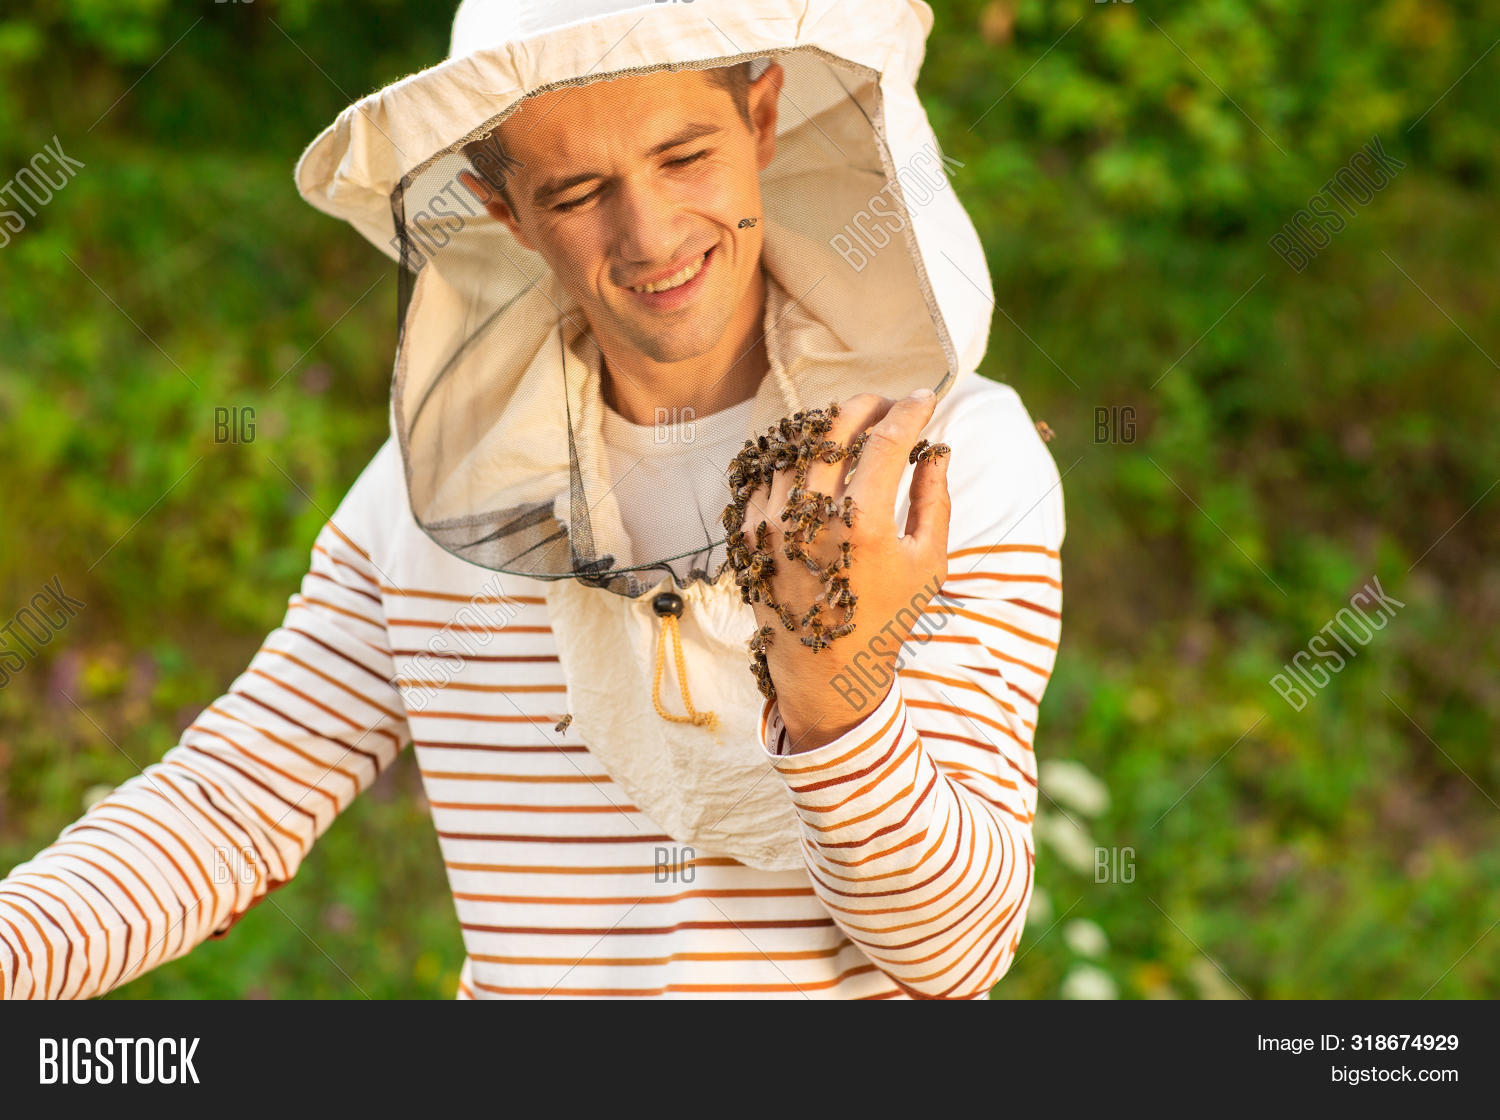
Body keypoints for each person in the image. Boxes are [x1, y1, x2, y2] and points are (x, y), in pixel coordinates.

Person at [0, 0, 1065, 1000]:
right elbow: (229, 806)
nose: (649, 237)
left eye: (683, 156)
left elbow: (956, 950)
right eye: (575, 191)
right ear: (500, 206)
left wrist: (837, 693)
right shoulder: (429, 500)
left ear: (765, 117)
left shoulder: (948, 465)